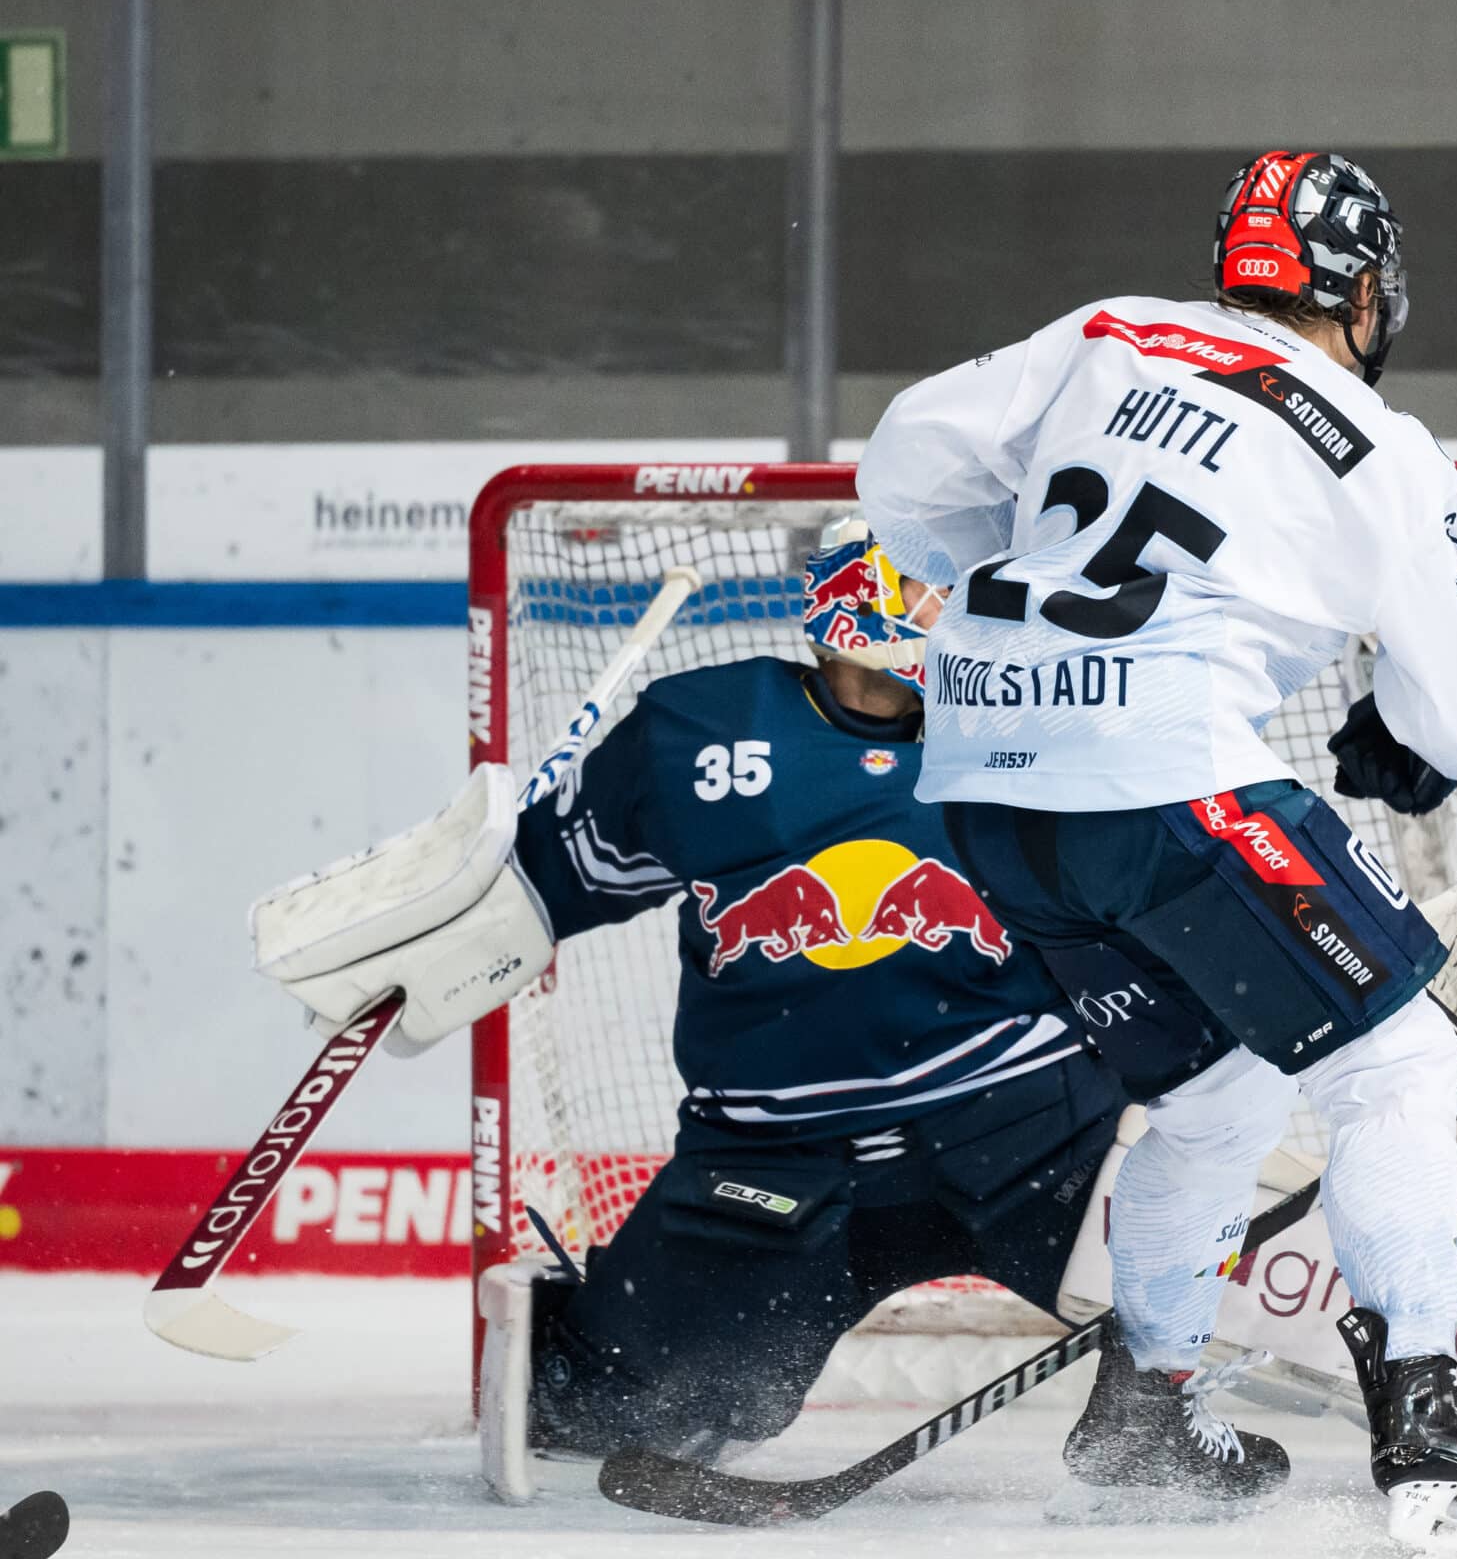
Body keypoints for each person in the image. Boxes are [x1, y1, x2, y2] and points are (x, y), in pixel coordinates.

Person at [854, 150, 1457, 1553]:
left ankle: (1147, 1402)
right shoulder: (1378, 440)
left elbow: (906, 452)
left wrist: (996, 595)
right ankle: (1428, 1415)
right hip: (1170, 781)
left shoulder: (1111, 331)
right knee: (1397, 1059)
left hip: (991, 781)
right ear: (1366, 288)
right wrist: (1401, 735)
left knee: (1219, 1087)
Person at [257, 531, 1247, 1501]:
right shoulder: (698, 732)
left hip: (1028, 1131)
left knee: (1233, 1281)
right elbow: (553, 882)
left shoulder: (1038, 728)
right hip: (772, 1166)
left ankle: (1232, 1408)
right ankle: (592, 1332)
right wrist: (436, 932)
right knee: (602, 1409)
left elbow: (1166, 897)